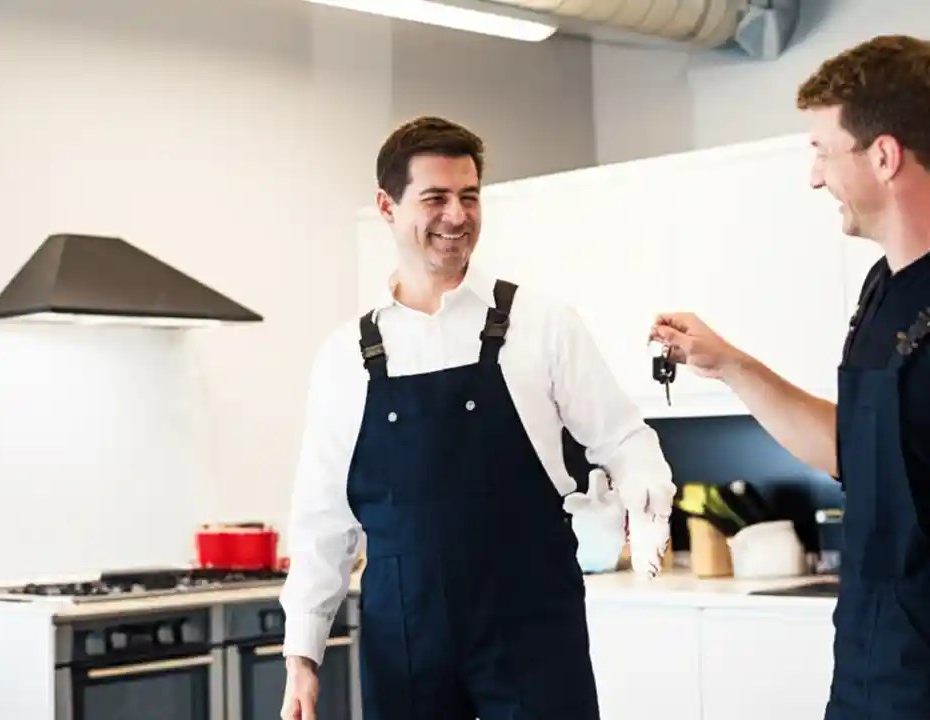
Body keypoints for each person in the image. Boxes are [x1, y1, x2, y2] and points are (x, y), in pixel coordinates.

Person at [651, 35, 930, 719]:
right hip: (868, 684)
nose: (814, 177)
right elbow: (857, 451)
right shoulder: (884, 289)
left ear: (883, 156)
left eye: (823, 151)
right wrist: (729, 364)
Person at [279, 115, 676, 720]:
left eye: (469, 196)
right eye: (435, 198)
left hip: (532, 630)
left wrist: (648, 504)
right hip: (404, 640)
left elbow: (622, 437)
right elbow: (322, 520)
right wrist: (302, 657)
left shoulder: (541, 323)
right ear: (386, 206)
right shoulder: (346, 357)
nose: (457, 216)